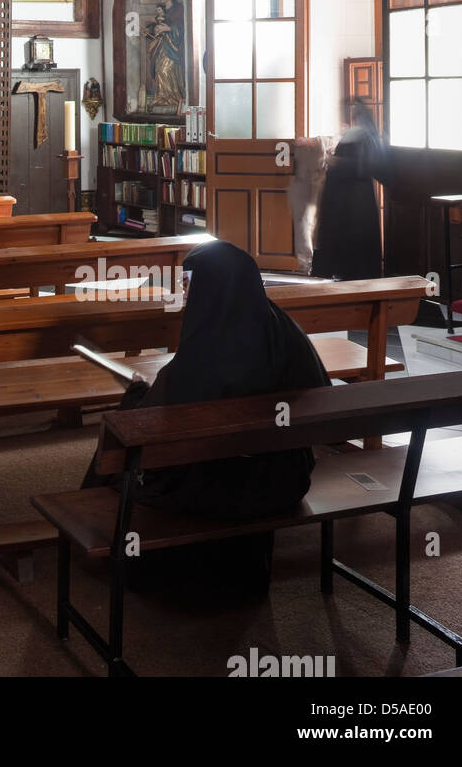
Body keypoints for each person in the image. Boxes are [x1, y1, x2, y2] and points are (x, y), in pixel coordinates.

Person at [83, 240, 331, 594]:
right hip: (284, 480)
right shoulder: (284, 329)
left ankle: (112, 549)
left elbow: (152, 428)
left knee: (120, 441)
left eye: (189, 282)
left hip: (217, 492)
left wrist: (136, 396)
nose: (185, 292)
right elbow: (317, 392)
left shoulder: (206, 343)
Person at [311, 99, 386, 280]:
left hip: (352, 200)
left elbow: (363, 167)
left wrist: (335, 162)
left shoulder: (363, 136)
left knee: (350, 241)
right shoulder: (362, 135)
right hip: (352, 198)